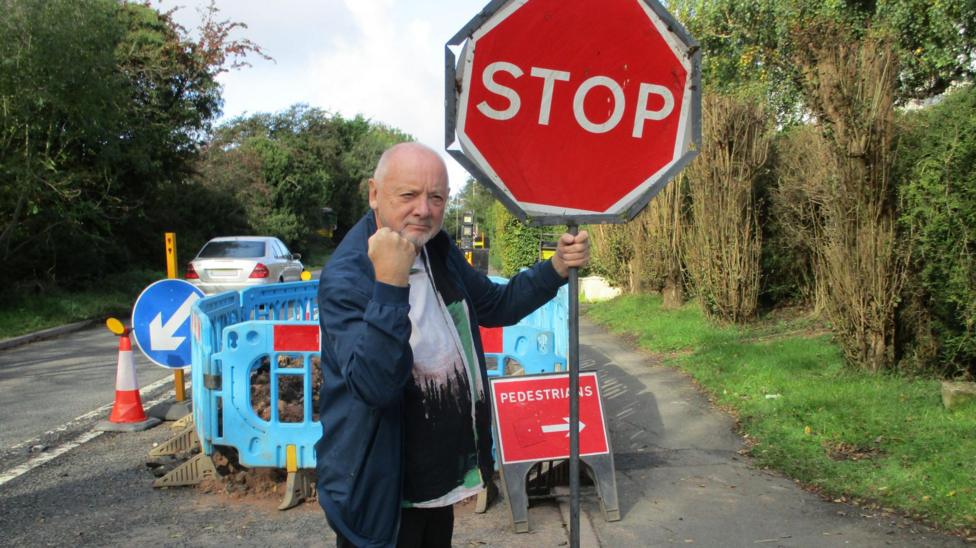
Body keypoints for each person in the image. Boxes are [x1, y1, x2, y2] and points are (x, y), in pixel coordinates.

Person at [315, 142, 590, 548]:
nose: (424, 209)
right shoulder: (348, 276)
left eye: (436, 197)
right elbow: (374, 385)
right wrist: (390, 284)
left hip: (435, 481)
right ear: (375, 193)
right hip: (382, 490)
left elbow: (495, 304)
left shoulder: (436, 249)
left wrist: (556, 268)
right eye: (408, 195)